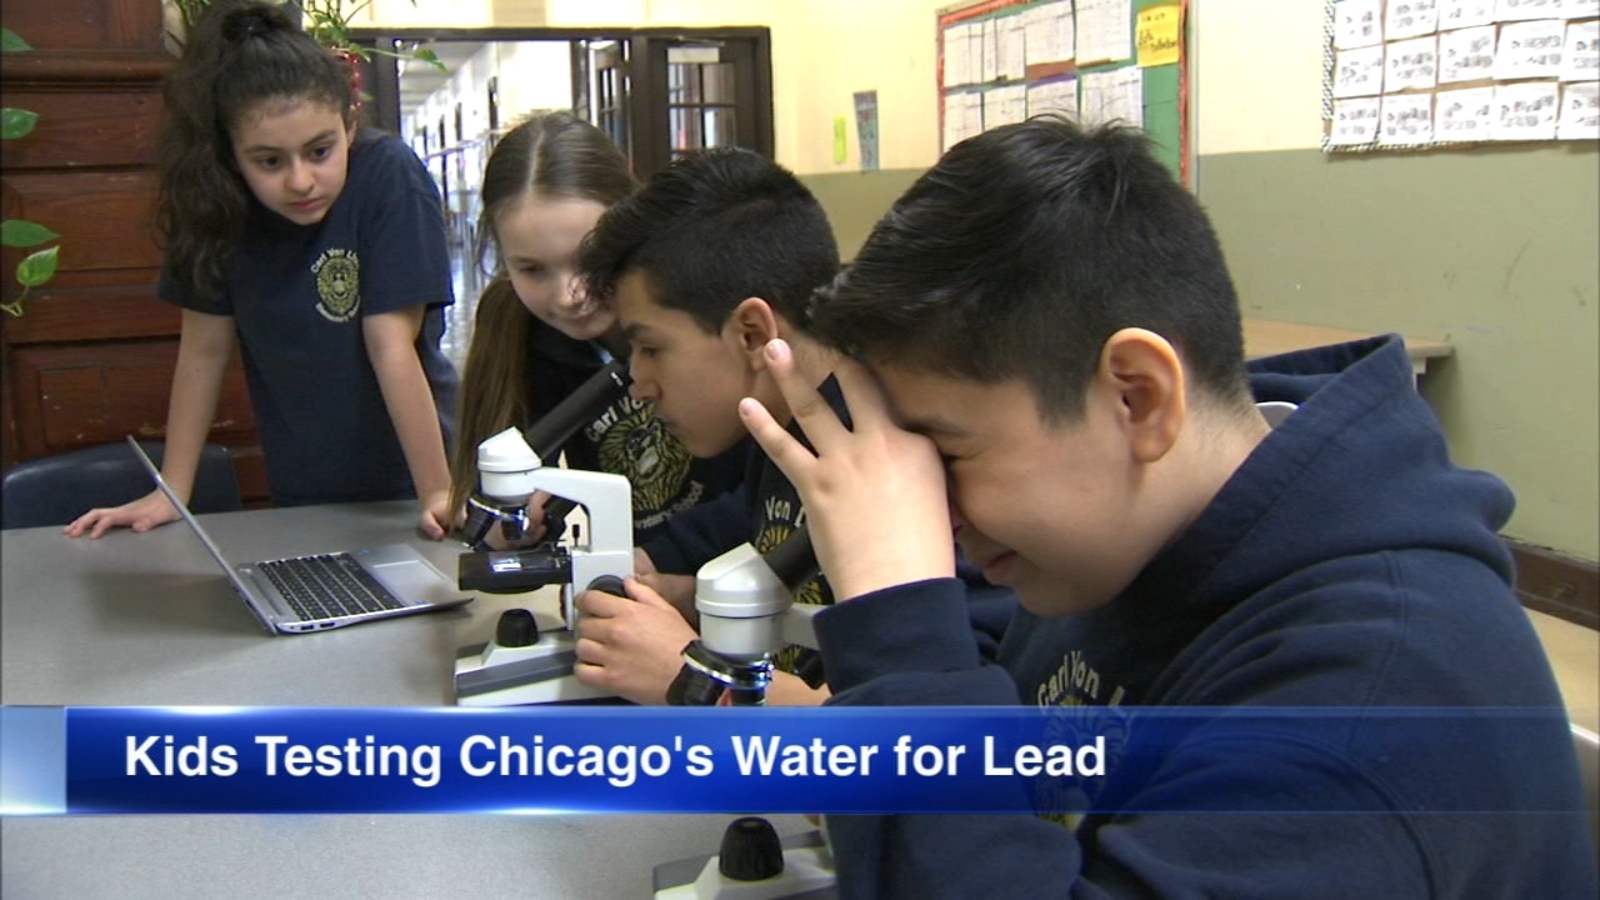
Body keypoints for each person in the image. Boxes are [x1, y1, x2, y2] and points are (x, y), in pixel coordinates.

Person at [738, 117, 1597, 897]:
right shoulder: (1127, 542)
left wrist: (897, 623)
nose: (931, 510)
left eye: (948, 454)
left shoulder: (1371, 706)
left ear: (1139, 398)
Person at [65, 0, 458, 539]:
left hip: (414, 476)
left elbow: (390, 342)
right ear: (230, 155)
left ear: (348, 123)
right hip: (302, 486)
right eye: (269, 161)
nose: (300, 181)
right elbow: (202, 348)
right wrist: (172, 492)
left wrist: (436, 493)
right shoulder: (214, 202)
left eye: (319, 151)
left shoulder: (387, 176)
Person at [565, 147, 848, 706]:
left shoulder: (892, 461)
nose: (640, 383)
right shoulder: (779, 430)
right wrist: (674, 590)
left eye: (651, 347)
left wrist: (693, 678)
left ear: (750, 332)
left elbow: (924, 739)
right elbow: (756, 532)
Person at [447, 112, 750, 549]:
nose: (569, 295)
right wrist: (516, 526)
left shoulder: (707, 307)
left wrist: (663, 565)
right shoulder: (527, 335)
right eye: (531, 269)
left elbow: (778, 494)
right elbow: (512, 511)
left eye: (588, 257)